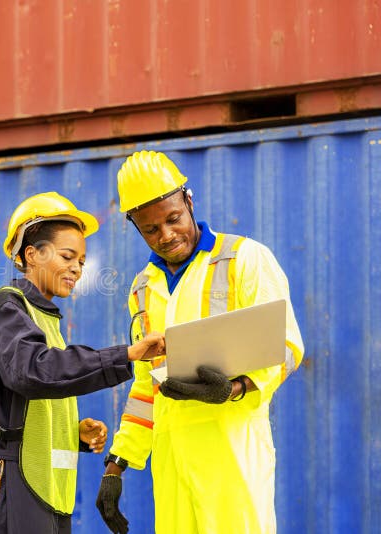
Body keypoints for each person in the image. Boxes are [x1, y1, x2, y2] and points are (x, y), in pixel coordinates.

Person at [96, 151, 305, 534]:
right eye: (150, 229)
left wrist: (235, 389)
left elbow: (286, 348)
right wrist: (117, 465)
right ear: (134, 227)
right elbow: (147, 386)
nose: (166, 235)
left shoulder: (244, 258)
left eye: (173, 219)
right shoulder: (143, 287)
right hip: (173, 464)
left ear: (189, 201)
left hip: (233, 457)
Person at [0, 192, 166, 533]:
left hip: (38, 482)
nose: (76, 268)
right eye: (67, 256)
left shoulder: (44, 319)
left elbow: (24, 401)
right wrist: (126, 355)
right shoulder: (9, 306)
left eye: (82, 262)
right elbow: (34, 371)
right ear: (32, 254)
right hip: (10, 479)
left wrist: (71, 434)